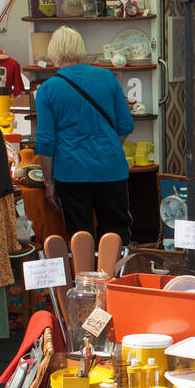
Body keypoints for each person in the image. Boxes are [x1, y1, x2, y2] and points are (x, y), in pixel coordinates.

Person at [35, 27, 135, 244]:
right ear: (80, 48)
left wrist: (48, 183)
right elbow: (126, 124)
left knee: (80, 238)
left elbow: (45, 142)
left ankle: (85, 278)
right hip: (111, 169)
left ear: (54, 51)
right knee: (116, 234)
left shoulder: (47, 89)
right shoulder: (107, 77)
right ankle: (118, 276)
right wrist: (108, 146)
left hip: (71, 172)